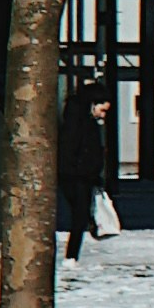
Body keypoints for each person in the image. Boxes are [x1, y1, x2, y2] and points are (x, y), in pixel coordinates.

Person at [54, 67, 110, 276]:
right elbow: (77, 150)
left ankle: (72, 256)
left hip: (78, 175)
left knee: (80, 215)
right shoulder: (80, 124)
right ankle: (71, 257)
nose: (103, 116)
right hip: (78, 176)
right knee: (80, 215)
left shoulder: (78, 120)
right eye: (102, 110)